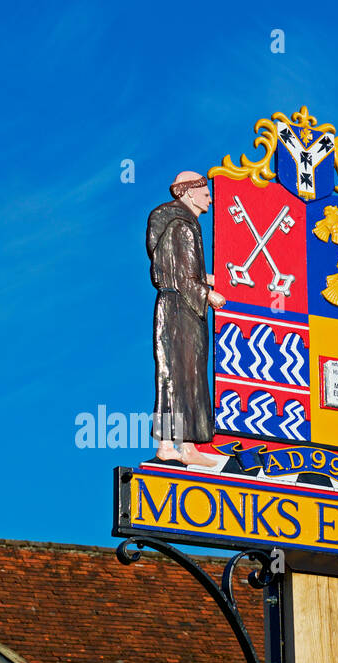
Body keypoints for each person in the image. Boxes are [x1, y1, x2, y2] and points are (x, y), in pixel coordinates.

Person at [145, 172, 226, 467]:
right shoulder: (182, 227)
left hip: (182, 307)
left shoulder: (184, 225)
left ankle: (189, 447)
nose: (210, 198)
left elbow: (181, 267)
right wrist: (208, 294)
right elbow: (179, 275)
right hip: (178, 308)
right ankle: (168, 445)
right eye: (205, 193)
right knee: (175, 375)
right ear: (190, 193)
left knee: (190, 375)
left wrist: (211, 280)